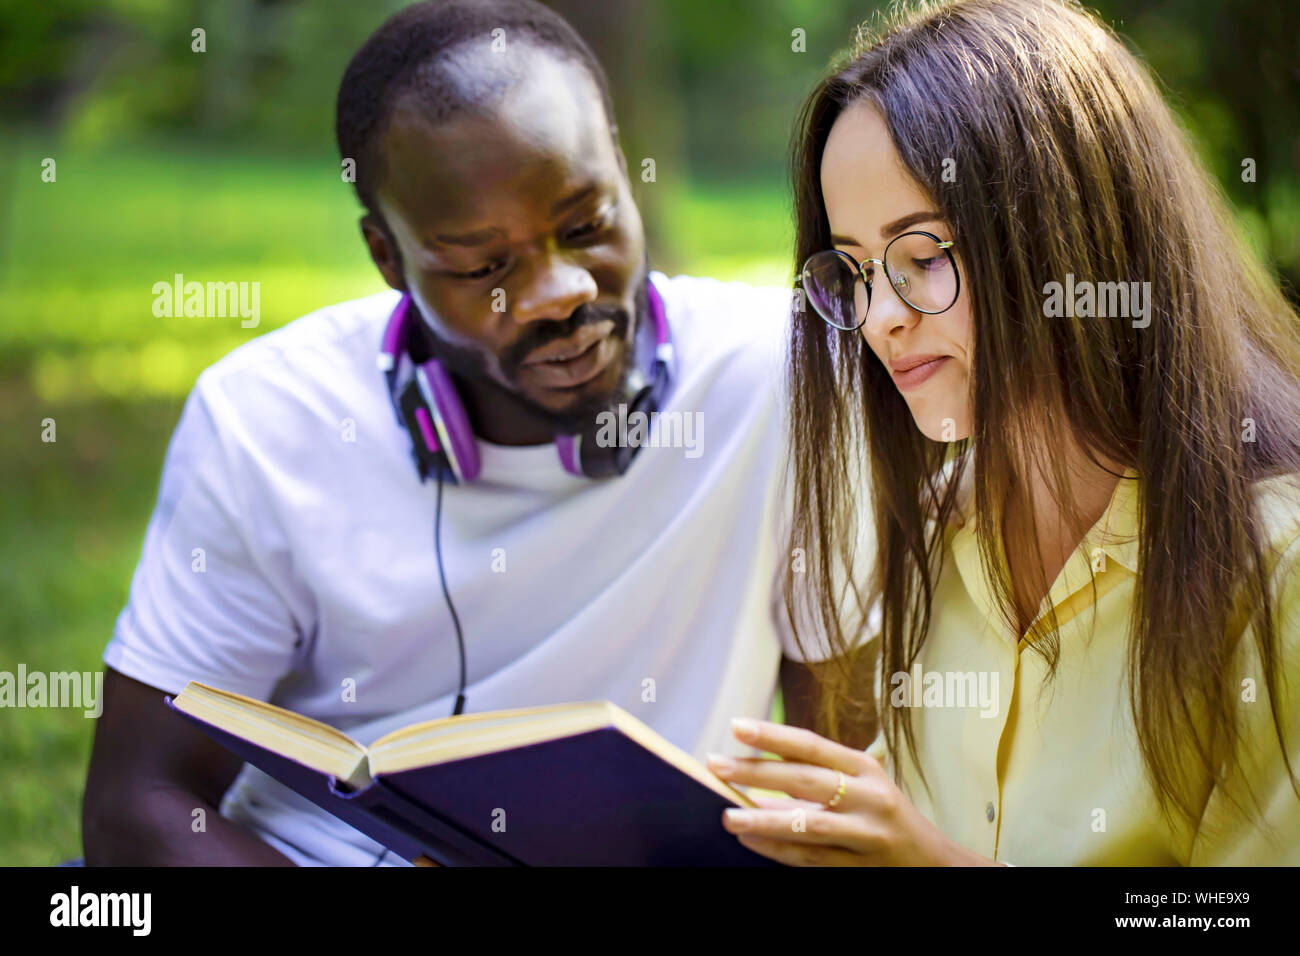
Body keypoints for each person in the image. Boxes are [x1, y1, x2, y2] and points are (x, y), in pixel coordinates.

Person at [81, 0, 874, 867]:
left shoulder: (783, 380)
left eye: (587, 226)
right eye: (482, 266)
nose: (556, 292)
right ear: (389, 258)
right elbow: (137, 803)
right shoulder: (265, 421)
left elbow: (846, 766)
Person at [708, 0, 1300, 865]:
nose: (878, 321)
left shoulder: (1276, 568)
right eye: (856, 271)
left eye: (924, 257)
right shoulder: (943, 529)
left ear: (1073, 239)